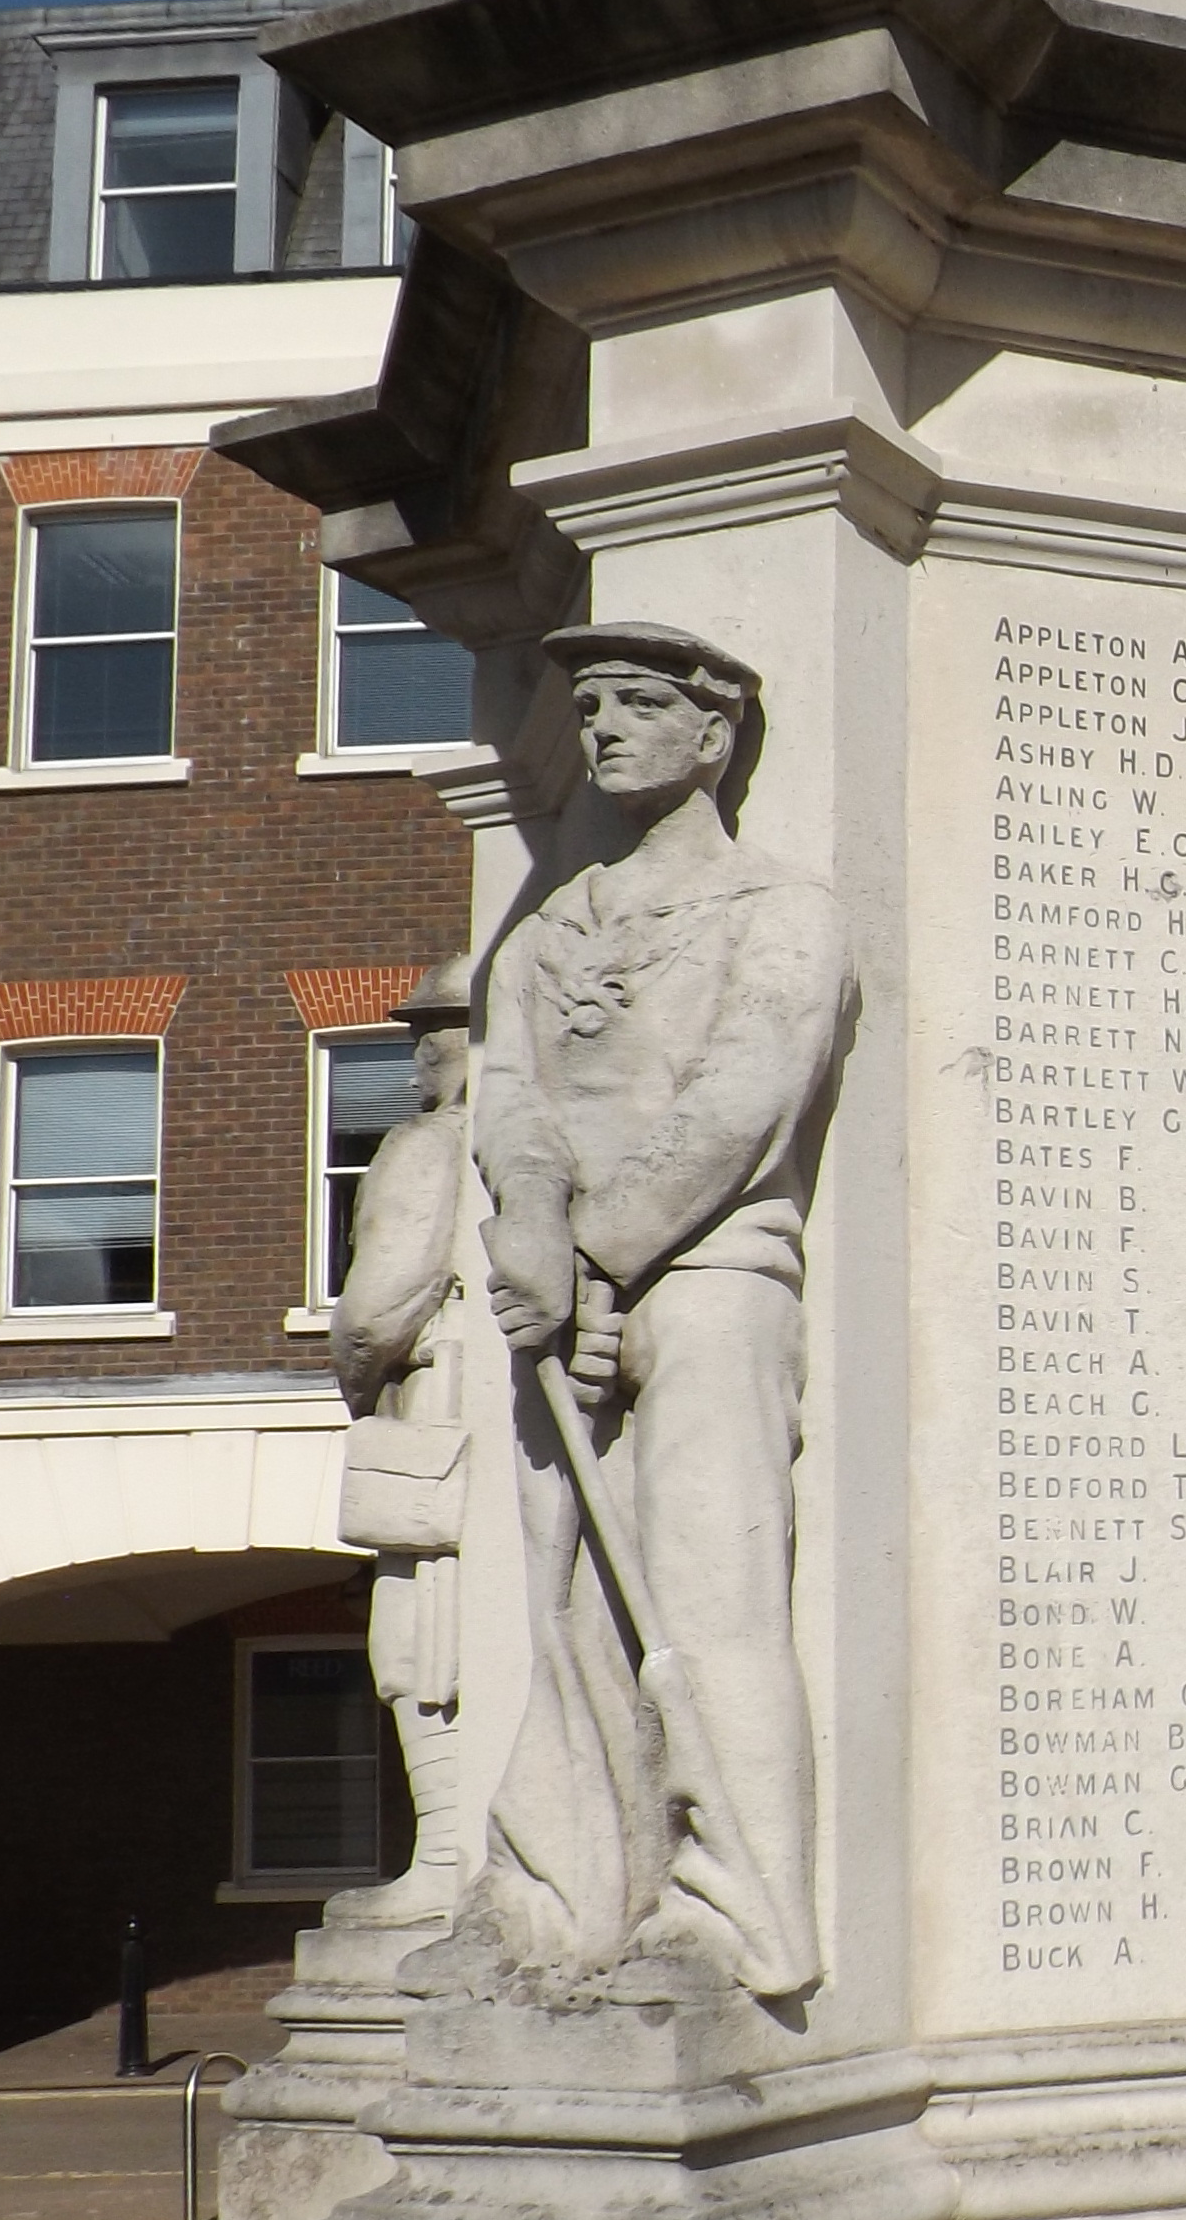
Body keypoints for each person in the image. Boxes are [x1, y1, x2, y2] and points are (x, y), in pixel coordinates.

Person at [469, 624, 854, 1999]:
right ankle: (578, 1890)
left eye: (639, 705)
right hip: (558, 1286)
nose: (605, 731)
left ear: (715, 734)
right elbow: (508, 1095)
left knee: (713, 1592)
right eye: (588, 709)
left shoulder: (780, 911)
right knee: (570, 1607)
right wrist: (530, 1227)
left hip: (709, 1280)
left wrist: (611, 1256)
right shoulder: (546, 932)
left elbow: (744, 1101)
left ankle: (745, 1910)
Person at [325, 954, 477, 1925]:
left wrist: (358, 1385)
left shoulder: (427, 1147)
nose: (416, 1066)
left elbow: (377, 1308)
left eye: (424, 1041)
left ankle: (449, 1856)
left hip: (441, 1400)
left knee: (421, 1632)